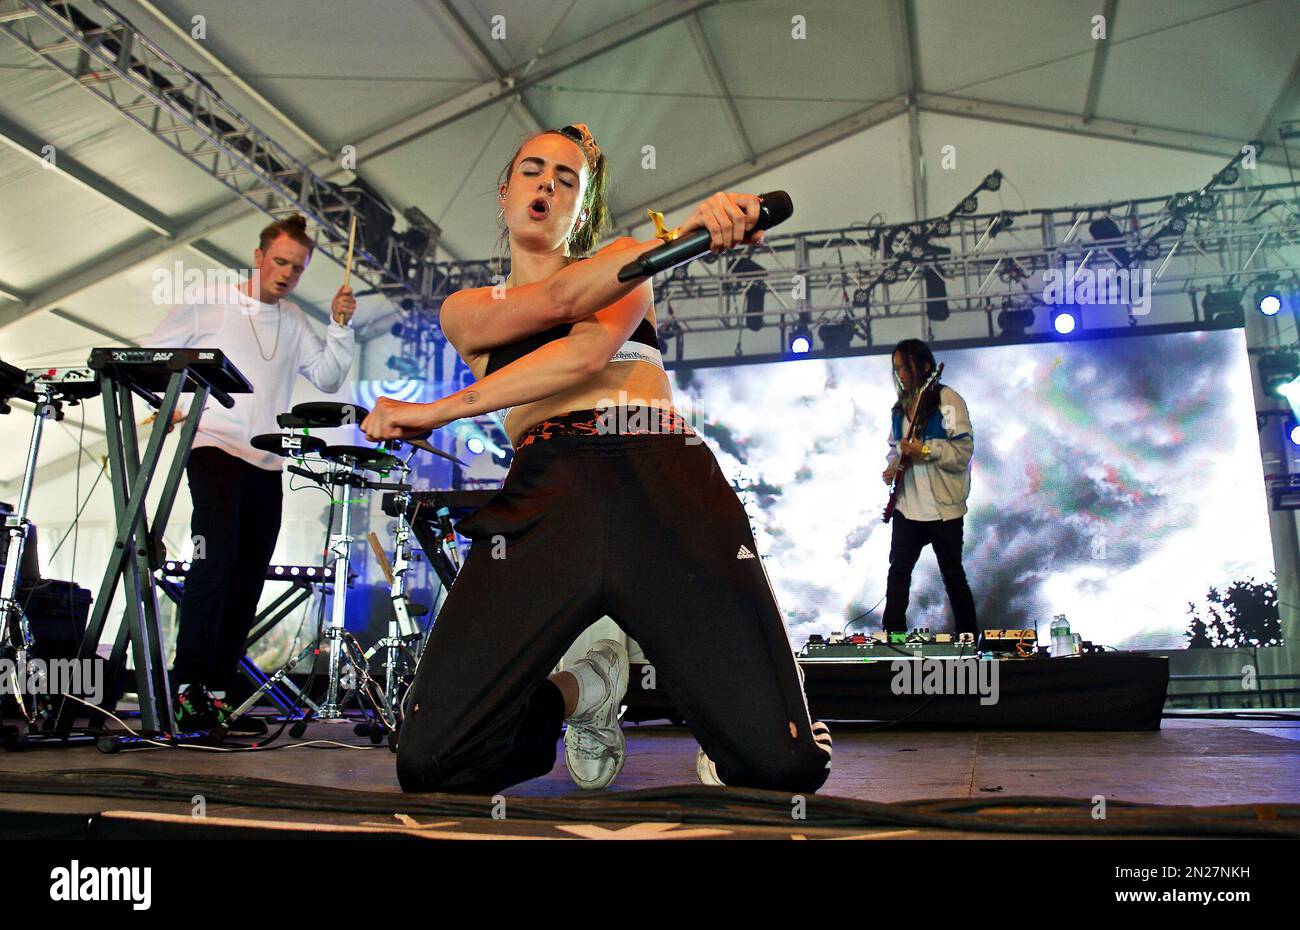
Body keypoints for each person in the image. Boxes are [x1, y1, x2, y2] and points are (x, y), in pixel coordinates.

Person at [361, 123, 831, 794]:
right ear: (504, 192)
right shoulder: (466, 309)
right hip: (548, 490)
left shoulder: (624, 261)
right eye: (532, 169)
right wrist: (677, 237)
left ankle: (757, 722)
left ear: (581, 208)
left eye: (567, 177)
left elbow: (581, 346)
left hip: (658, 473)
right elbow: (550, 307)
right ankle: (584, 689)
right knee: (431, 763)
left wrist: (432, 411)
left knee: (781, 767)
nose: (547, 181)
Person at [149, 214, 357, 734]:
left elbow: (328, 376)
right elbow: (156, 354)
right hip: (214, 445)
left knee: (248, 575)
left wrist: (340, 325)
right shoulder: (213, 301)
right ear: (259, 256)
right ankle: (187, 688)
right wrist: (167, 403)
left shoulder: (295, 321)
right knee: (212, 562)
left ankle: (216, 695)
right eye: (280, 261)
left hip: (267, 457)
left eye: (297, 267)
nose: (286, 273)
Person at [880, 339, 978, 638]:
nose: (901, 374)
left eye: (905, 367)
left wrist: (925, 450)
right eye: (896, 369)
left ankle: (968, 637)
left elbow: (962, 451)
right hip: (908, 508)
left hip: (943, 509)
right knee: (898, 572)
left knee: (952, 575)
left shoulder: (948, 400)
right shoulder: (899, 410)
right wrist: (891, 465)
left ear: (924, 366)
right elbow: (895, 449)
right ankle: (893, 636)